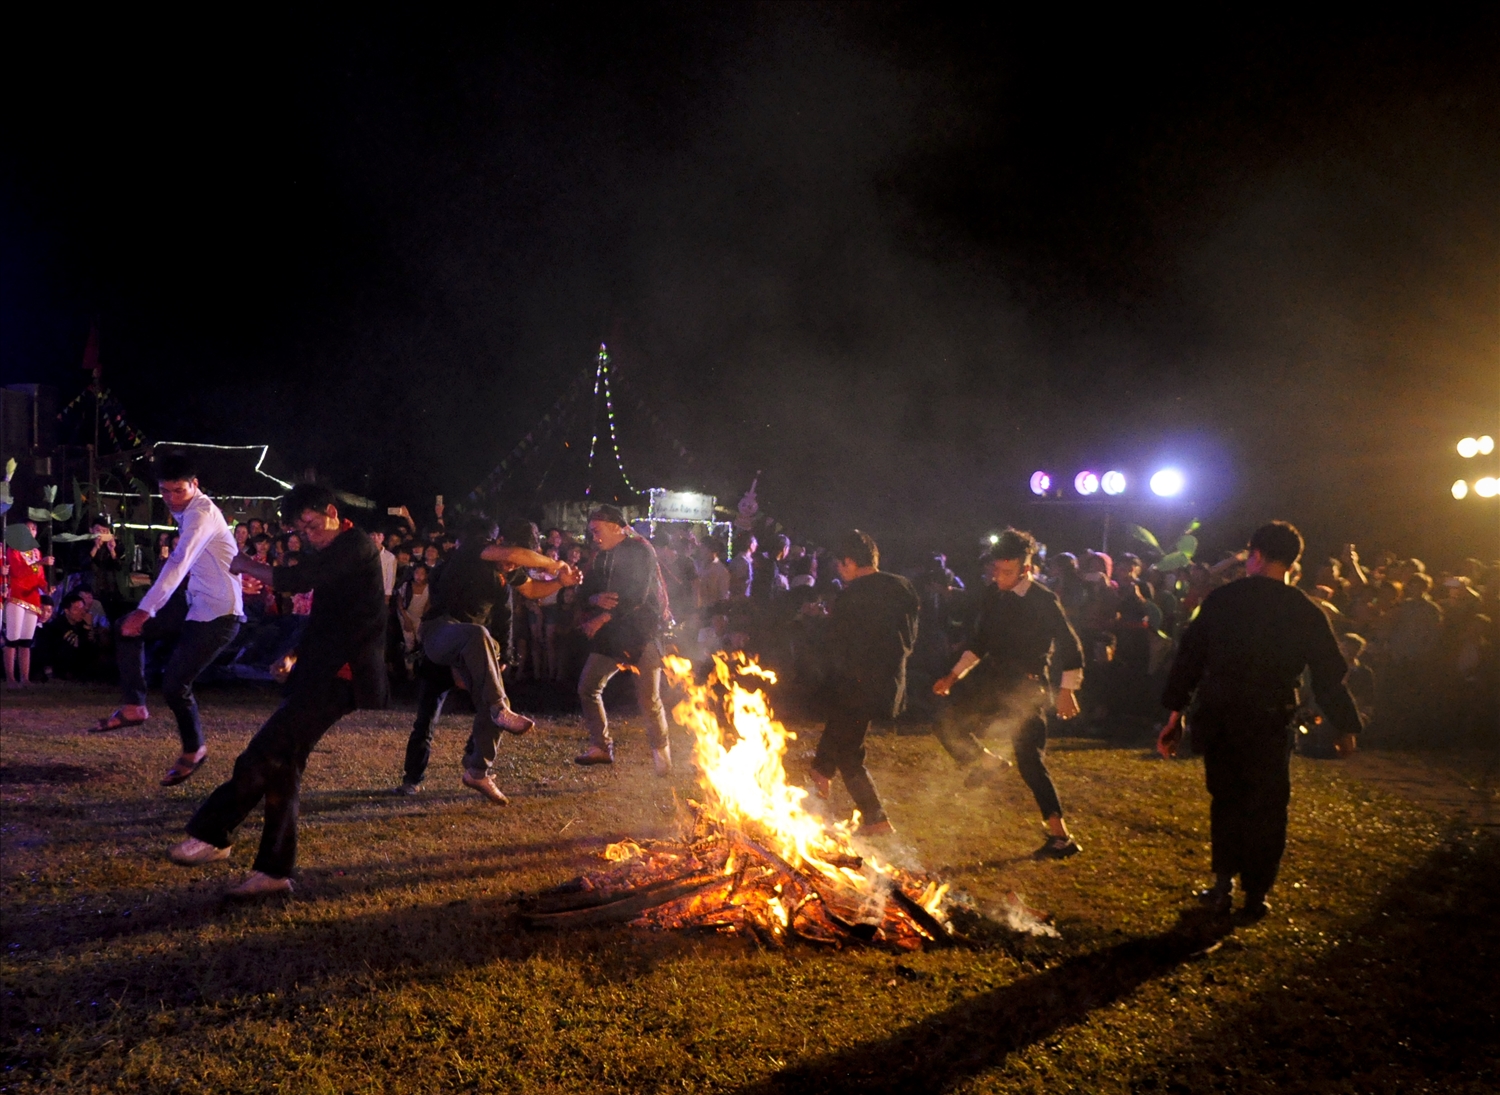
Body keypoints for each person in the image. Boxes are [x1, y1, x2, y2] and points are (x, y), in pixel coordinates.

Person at [169, 483, 387, 897]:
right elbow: (330, 618)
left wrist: (243, 563)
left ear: (329, 511)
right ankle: (273, 871)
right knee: (283, 767)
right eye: (301, 530)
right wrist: (295, 653)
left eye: (310, 524)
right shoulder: (333, 554)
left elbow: (297, 581)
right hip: (320, 672)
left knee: (263, 752)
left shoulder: (355, 544)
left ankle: (214, 834)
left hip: (342, 676)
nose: (309, 534)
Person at [1157, 520, 1363, 921]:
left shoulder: (1223, 601)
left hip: (1222, 716)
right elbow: (1328, 675)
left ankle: (1223, 883)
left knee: (1227, 800)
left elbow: (1189, 660)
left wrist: (1175, 715)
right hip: (1270, 720)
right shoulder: (1305, 610)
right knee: (1268, 806)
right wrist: (1346, 724)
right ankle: (1256, 892)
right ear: (1292, 562)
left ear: (1256, 555)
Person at [90, 452, 244, 788]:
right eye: (165, 491)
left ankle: (195, 749)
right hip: (193, 604)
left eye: (178, 491)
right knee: (125, 628)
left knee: (176, 684)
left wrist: (147, 609)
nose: (171, 499)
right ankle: (134, 706)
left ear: (195, 485)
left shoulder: (201, 514)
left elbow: (179, 562)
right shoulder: (190, 511)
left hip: (220, 614)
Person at [932, 529, 1086, 859]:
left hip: (1027, 688)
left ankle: (1061, 837)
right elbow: (981, 641)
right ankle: (987, 762)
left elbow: (1070, 643)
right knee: (947, 720)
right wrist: (953, 676)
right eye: (995, 570)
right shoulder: (994, 595)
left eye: (1006, 572)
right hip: (993, 682)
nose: (998, 577)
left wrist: (1067, 690)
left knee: (1030, 761)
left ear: (1025, 569)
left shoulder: (1044, 600)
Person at [401, 516, 578, 801]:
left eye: (516, 566)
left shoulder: (507, 573)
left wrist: (559, 582)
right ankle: (412, 778)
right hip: (442, 636)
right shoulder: (473, 551)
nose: (512, 567)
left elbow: (531, 590)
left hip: (473, 650)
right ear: (499, 543)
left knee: (495, 702)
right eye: (511, 560)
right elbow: (514, 555)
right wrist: (557, 564)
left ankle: (478, 770)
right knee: (427, 717)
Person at [806, 529, 920, 837]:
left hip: (857, 685)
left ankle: (875, 817)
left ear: (849, 562)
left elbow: (839, 646)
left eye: (840, 567)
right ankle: (820, 777)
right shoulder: (904, 587)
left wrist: (819, 623)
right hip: (889, 682)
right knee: (840, 741)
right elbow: (907, 638)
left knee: (847, 749)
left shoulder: (853, 596)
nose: (841, 574)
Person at [574, 506, 676, 773]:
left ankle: (662, 756)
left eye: (596, 531)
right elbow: (585, 590)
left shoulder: (640, 550)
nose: (593, 536)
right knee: (588, 687)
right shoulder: (600, 557)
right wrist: (594, 599)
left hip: (641, 635)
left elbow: (637, 596)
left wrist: (601, 618)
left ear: (615, 526)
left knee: (649, 699)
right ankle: (601, 746)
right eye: (591, 531)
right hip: (612, 639)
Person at [3, 522, 54, 686]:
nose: (30, 531)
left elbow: (39, 577)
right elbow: (18, 571)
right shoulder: (13, 550)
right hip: (17, 595)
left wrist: (46, 587)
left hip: (33, 598)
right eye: (27, 528)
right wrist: (40, 563)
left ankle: (25, 677)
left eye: (33, 529)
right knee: (13, 638)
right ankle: (10, 677)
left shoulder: (36, 552)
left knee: (26, 640)